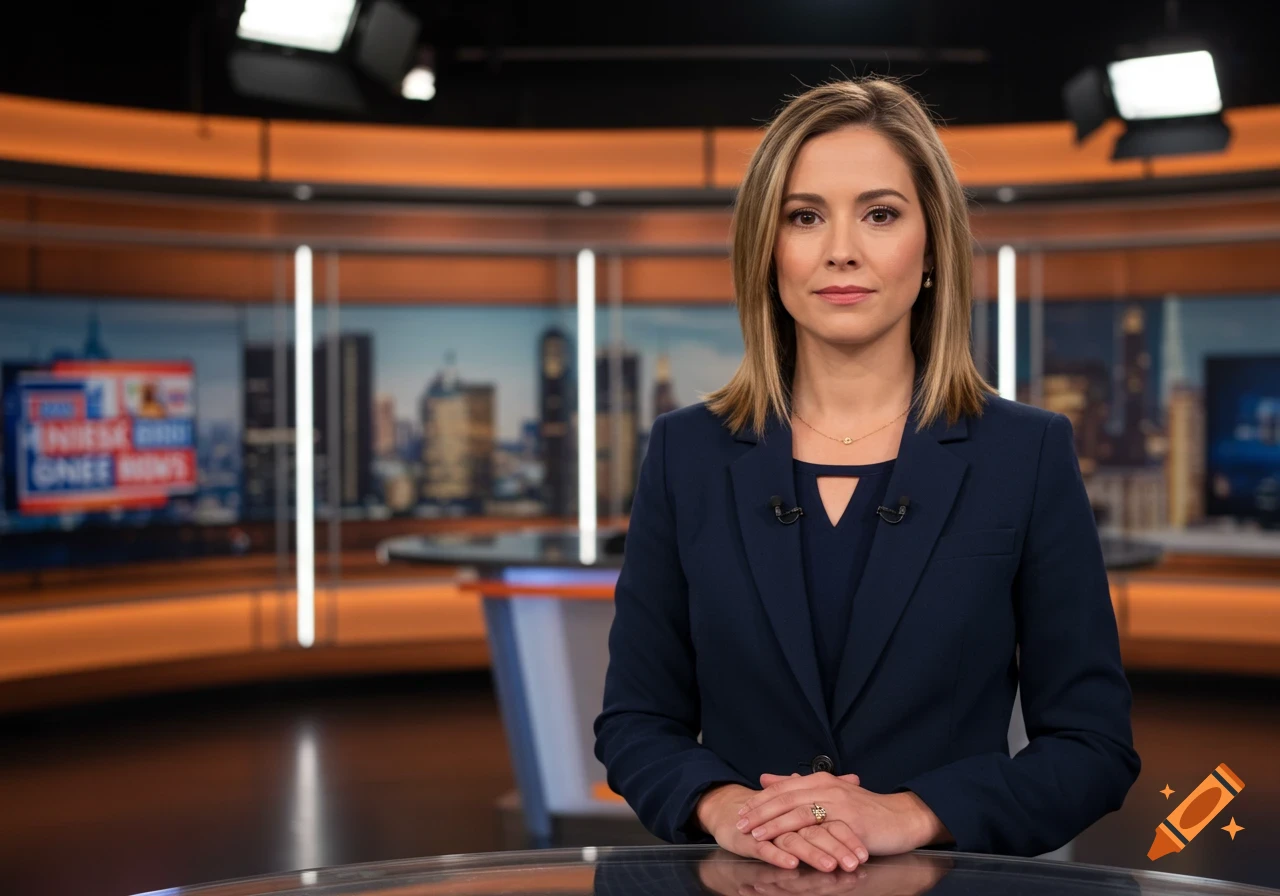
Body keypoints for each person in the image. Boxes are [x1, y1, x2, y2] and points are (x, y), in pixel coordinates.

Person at [592, 78, 1140, 874]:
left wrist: (913, 815)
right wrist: (729, 808)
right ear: (766, 250)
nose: (840, 249)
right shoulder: (689, 453)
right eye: (804, 216)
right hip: (750, 882)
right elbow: (636, 721)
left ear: (931, 249)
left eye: (879, 214)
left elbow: (1093, 746)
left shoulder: (1025, 454)